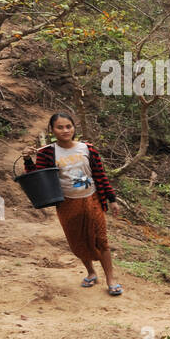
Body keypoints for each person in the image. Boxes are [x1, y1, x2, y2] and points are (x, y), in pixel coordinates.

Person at [23, 112, 123, 295]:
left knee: (101, 240)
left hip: (93, 200)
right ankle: (91, 272)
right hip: (67, 204)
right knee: (78, 240)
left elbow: (100, 175)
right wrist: (28, 159)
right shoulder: (47, 152)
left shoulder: (87, 149)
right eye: (60, 127)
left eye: (68, 126)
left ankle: (111, 279)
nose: (65, 130)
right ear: (52, 130)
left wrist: (112, 199)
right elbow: (38, 177)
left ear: (74, 128)